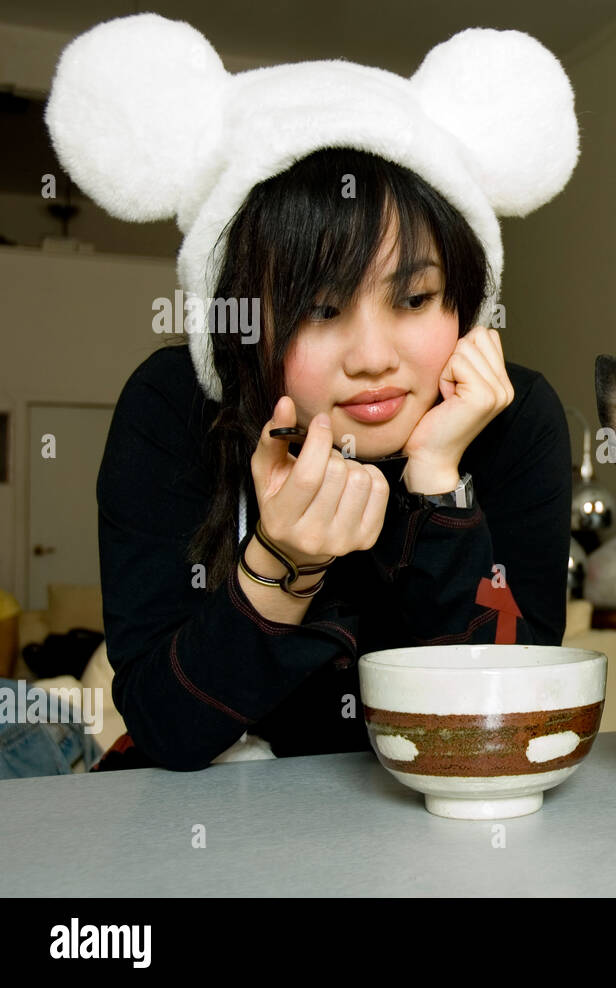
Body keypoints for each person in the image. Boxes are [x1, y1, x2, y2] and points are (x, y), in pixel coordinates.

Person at [42, 16, 582, 771]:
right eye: (319, 311)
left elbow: (508, 724)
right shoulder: (173, 410)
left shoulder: (515, 421)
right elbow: (168, 732)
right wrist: (282, 563)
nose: (373, 358)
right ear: (240, 325)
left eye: (416, 298)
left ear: (464, 299)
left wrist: (438, 489)